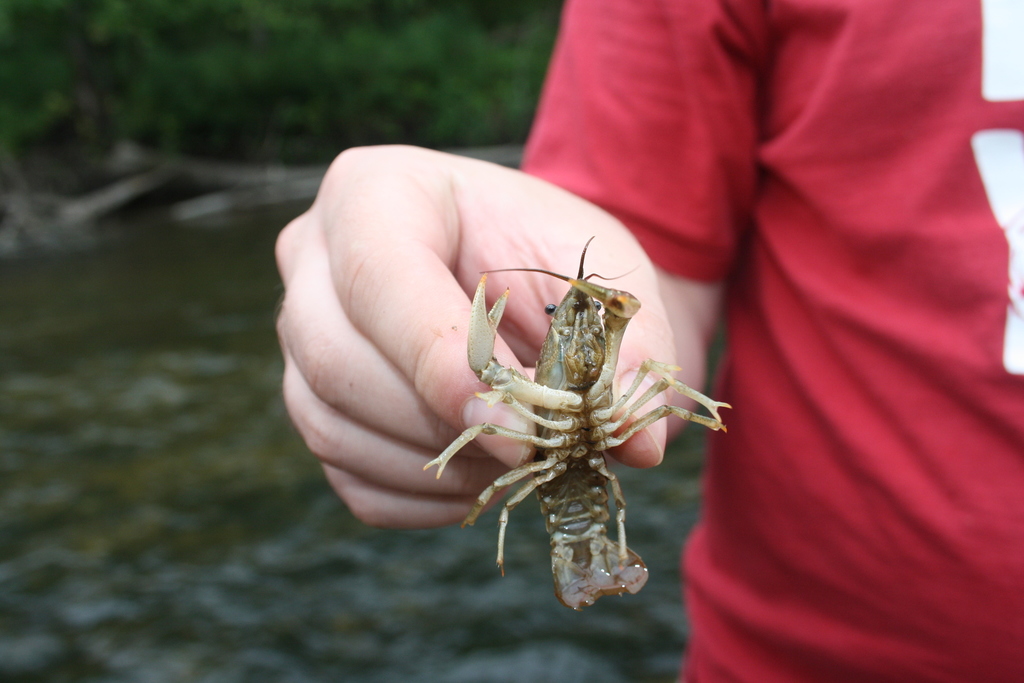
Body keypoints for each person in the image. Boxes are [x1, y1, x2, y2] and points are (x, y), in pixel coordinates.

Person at [275, 0, 1024, 680]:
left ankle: (605, 547)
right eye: (567, 312)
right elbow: (651, 322)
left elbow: (652, 376)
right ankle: (586, 551)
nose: (581, 317)